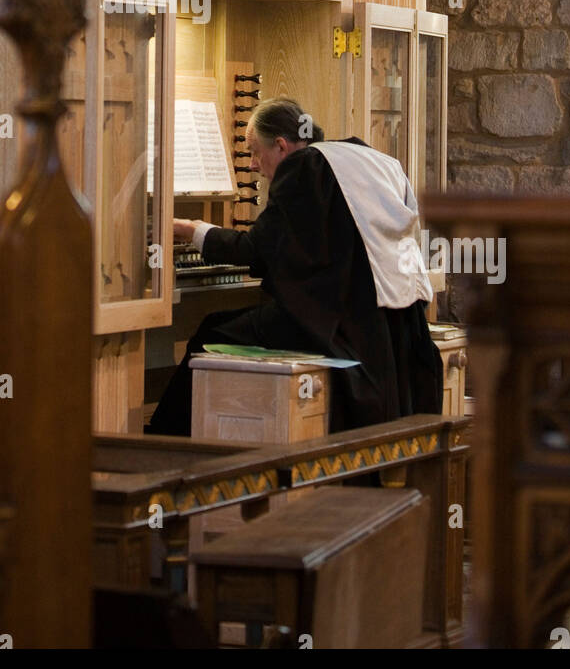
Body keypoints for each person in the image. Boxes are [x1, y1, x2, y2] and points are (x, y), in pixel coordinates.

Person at [146, 96, 443, 437]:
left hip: (338, 328)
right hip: (392, 326)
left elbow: (256, 250)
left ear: (282, 146)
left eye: (255, 151)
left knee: (211, 332)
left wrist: (191, 229)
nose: (253, 165)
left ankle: (167, 443)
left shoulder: (303, 167)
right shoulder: (361, 156)